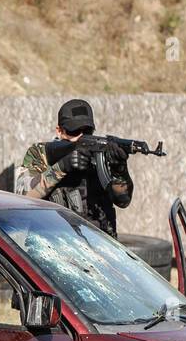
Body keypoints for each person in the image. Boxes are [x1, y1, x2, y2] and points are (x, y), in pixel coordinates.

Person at [16, 98, 133, 238]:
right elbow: (23, 195)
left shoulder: (101, 155)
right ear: (59, 131)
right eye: (74, 131)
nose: (81, 137)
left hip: (100, 244)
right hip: (55, 244)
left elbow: (123, 201)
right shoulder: (41, 153)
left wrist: (119, 169)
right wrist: (63, 165)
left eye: (87, 131)